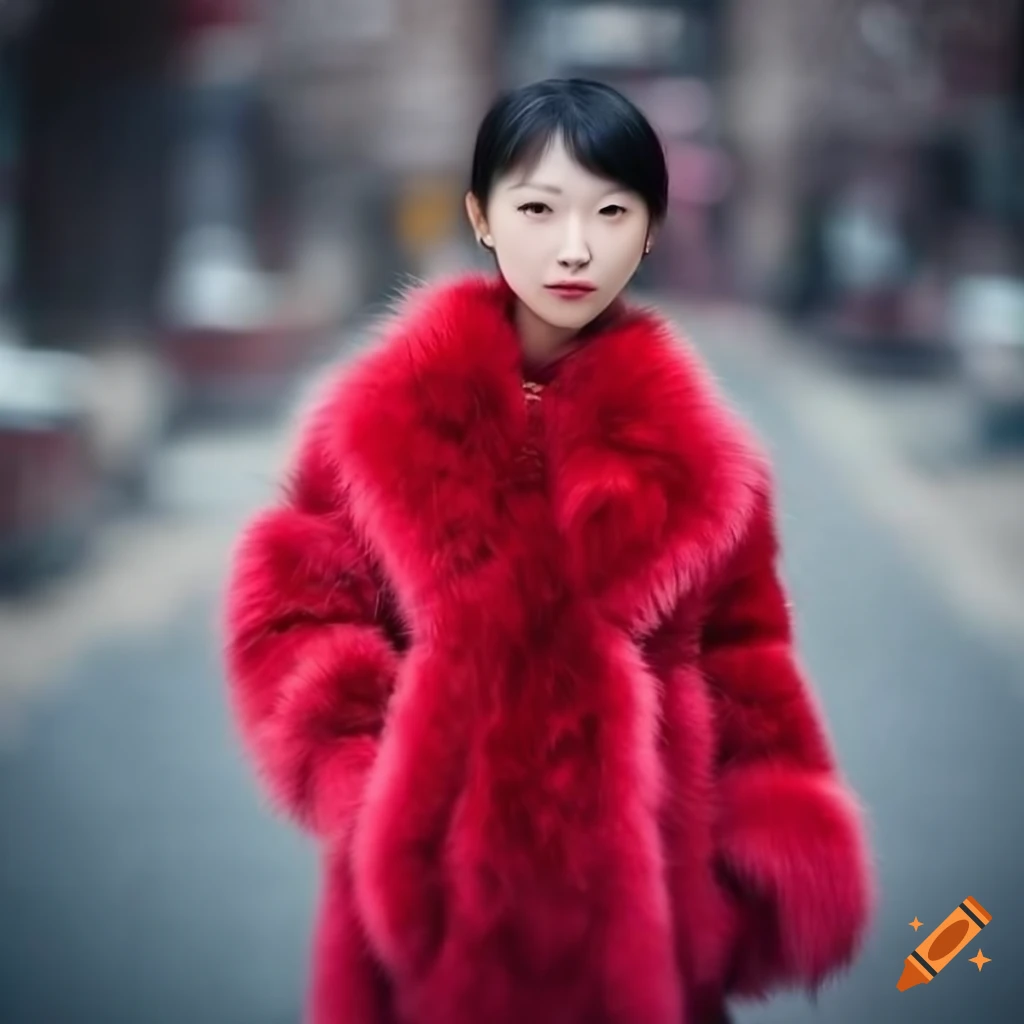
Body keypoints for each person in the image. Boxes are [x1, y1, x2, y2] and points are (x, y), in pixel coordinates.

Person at [222, 78, 875, 1024]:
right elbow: (296, 621)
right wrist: (380, 804)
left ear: (651, 230)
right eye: (538, 209)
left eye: (612, 212)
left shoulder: (710, 460)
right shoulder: (374, 425)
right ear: (483, 218)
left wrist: (762, 867)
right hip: (427, 930)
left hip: (647, 930)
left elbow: (747, 660)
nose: (575, 247)